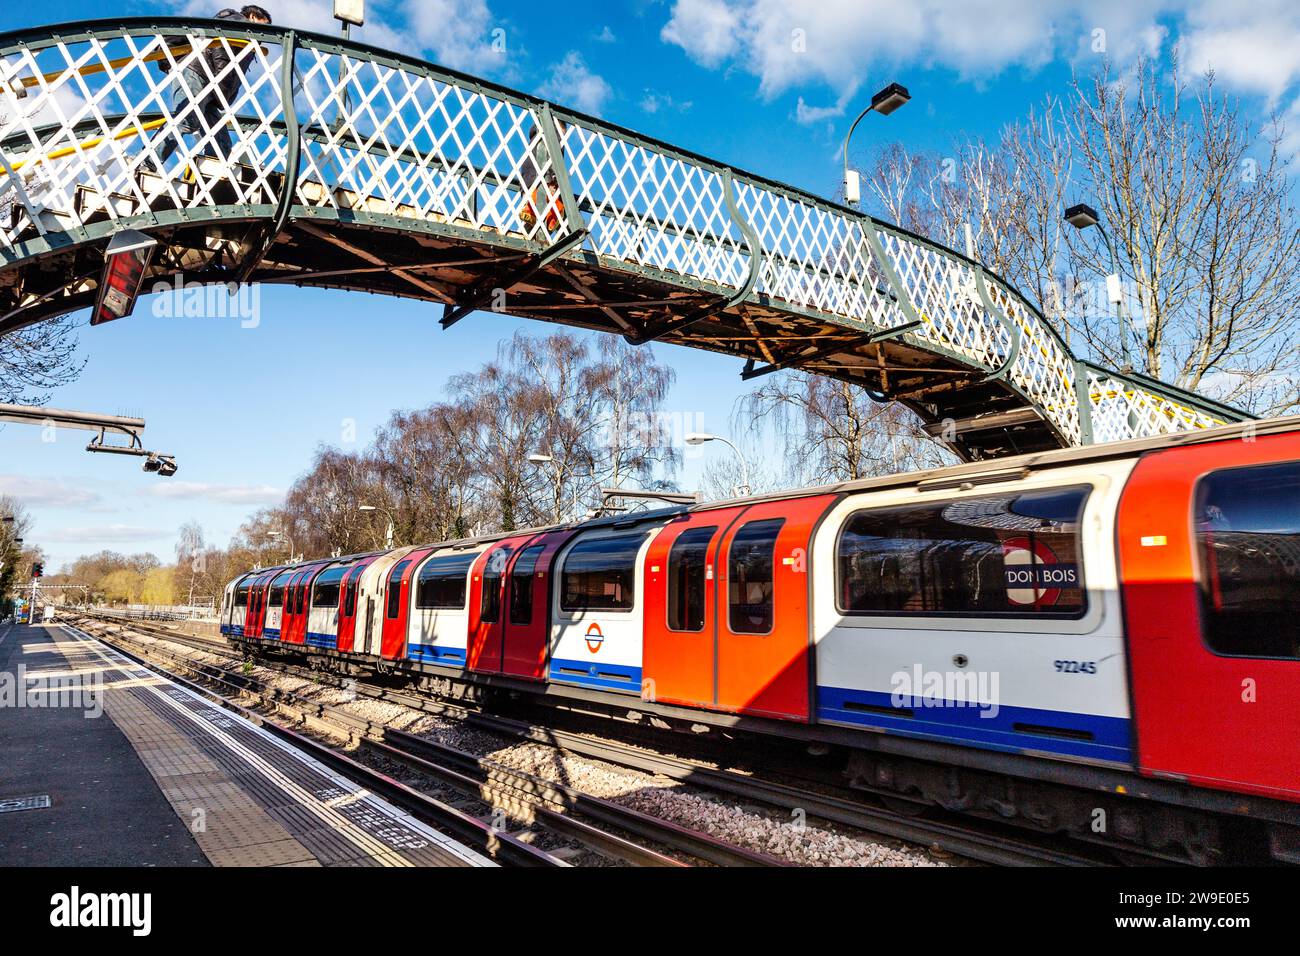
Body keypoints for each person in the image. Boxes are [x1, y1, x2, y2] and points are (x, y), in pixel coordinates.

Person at [153, 7, 272, 170]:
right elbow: (221, 51)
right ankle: (148, 161)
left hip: (211, 83)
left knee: (220, 139)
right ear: (252, 16)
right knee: (187, 119)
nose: (264, 34)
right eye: (264, 26)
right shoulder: (238, 22)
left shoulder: (248, 41)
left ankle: (210, 177)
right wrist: (223, 90)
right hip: (198, 71)